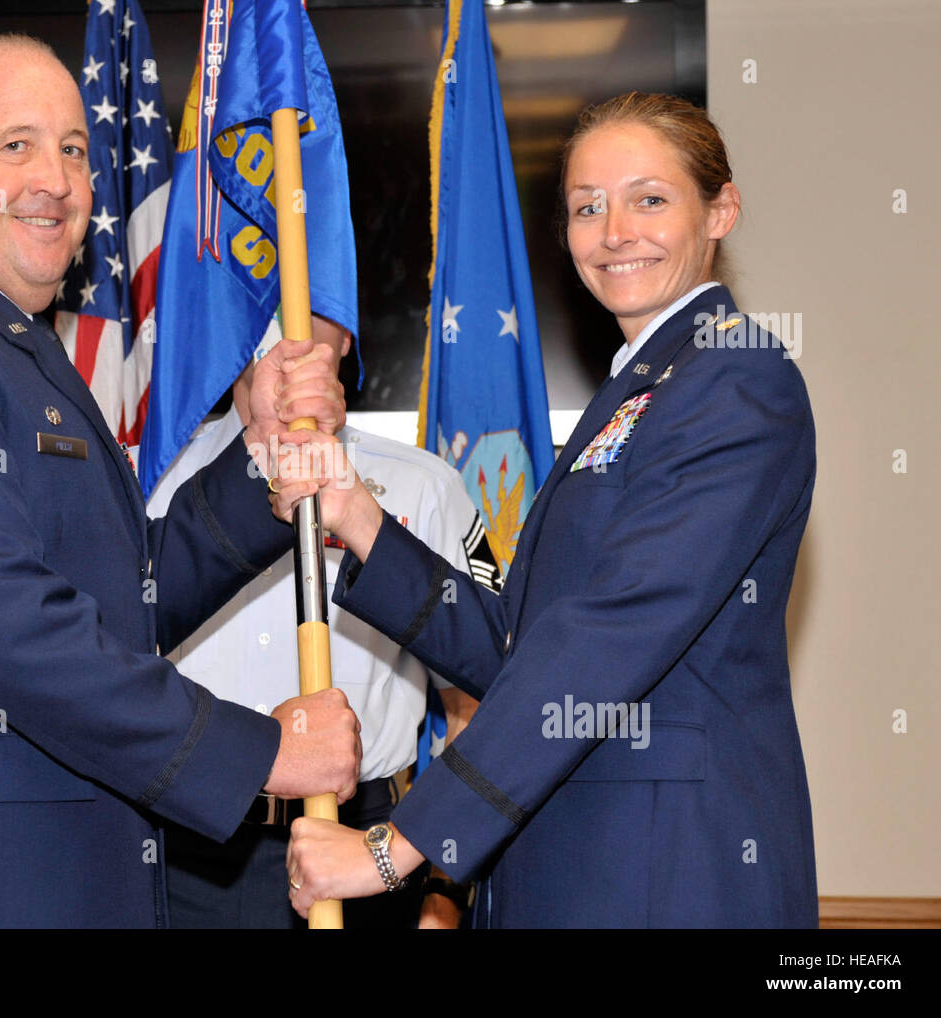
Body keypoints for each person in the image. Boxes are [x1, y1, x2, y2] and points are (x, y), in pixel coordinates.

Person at [0, 33, 362, 928]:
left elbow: (127, 595)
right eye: (16, 145)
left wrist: (264, 455)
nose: (57, 178)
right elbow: (9, 627)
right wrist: (259, 753)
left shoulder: (16, 350)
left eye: (75, 150)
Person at [282, 92, 818, 928]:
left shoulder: (736, 378)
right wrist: (357, 516)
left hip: (667, 875)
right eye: (586, 207)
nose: (614, 232)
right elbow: (519, 648)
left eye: (649, 199)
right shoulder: (634, 387)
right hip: (573, 866)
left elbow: (612, 632)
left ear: (720, 209)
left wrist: (397, 846)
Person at [146, 316, 485, 929]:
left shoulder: (423, 486)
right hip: (186, 850)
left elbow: (475, 697)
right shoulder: (154, 476)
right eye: (261, 295)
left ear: (347, 335)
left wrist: (443, 886)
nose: (284, 321)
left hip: (367, 848)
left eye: (310, 302)